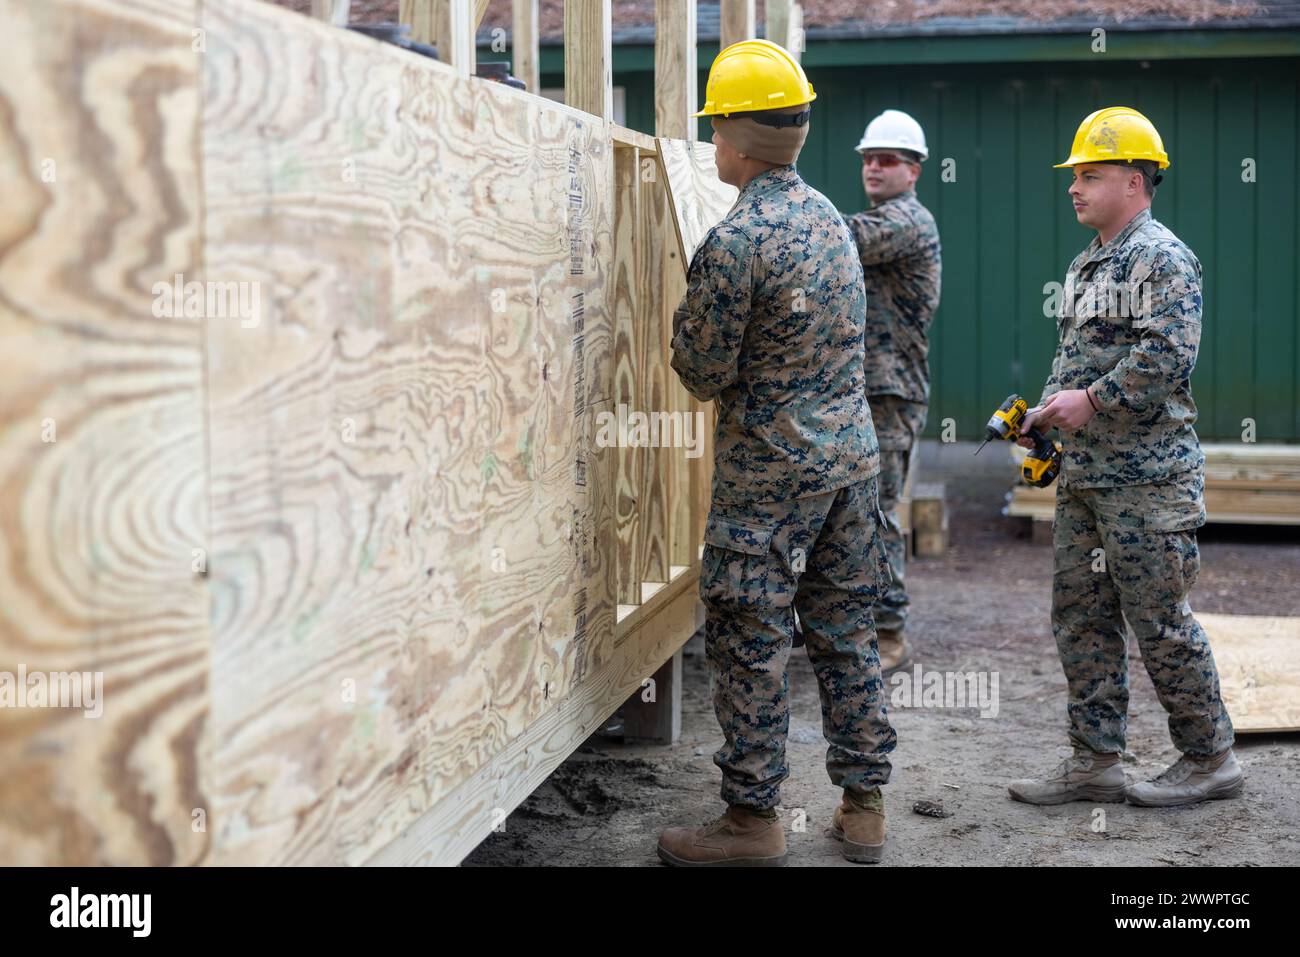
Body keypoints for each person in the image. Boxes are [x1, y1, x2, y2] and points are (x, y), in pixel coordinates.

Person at [657, 39, 896, 866]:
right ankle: (864, 807)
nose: (713, 142)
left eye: (716, 128)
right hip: (852, 465)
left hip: (768, 476)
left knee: (752, 637)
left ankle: (752, 822)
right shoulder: (832, 219)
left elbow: (699, 370)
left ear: (736, 138)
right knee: (844, 629)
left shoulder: (736, 241)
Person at [1008, 107, 1241, 808]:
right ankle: (1096, 759)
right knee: (1081, 617)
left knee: (1159, 620)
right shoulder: (1089, 261)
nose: (1074, 187)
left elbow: (1169, 356)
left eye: (1090, 174)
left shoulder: (1162, 257)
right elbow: (1075, 359)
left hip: (1148, 482)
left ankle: (1210, 757)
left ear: (1135, 181)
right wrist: (1048, 413)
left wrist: (1095, 401)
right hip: (1087, 477)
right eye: (1074, 175)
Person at [845, 109, 942, 674]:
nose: (874, 168)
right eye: (867, 160)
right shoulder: (889, 218)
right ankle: (861, 627)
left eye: (887, 161)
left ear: (914, 171)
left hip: (890, 395)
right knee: (857, 515)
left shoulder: (906, 223)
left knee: (878, 515)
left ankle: (889, 635)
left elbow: (843, 235)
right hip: (868, 392)